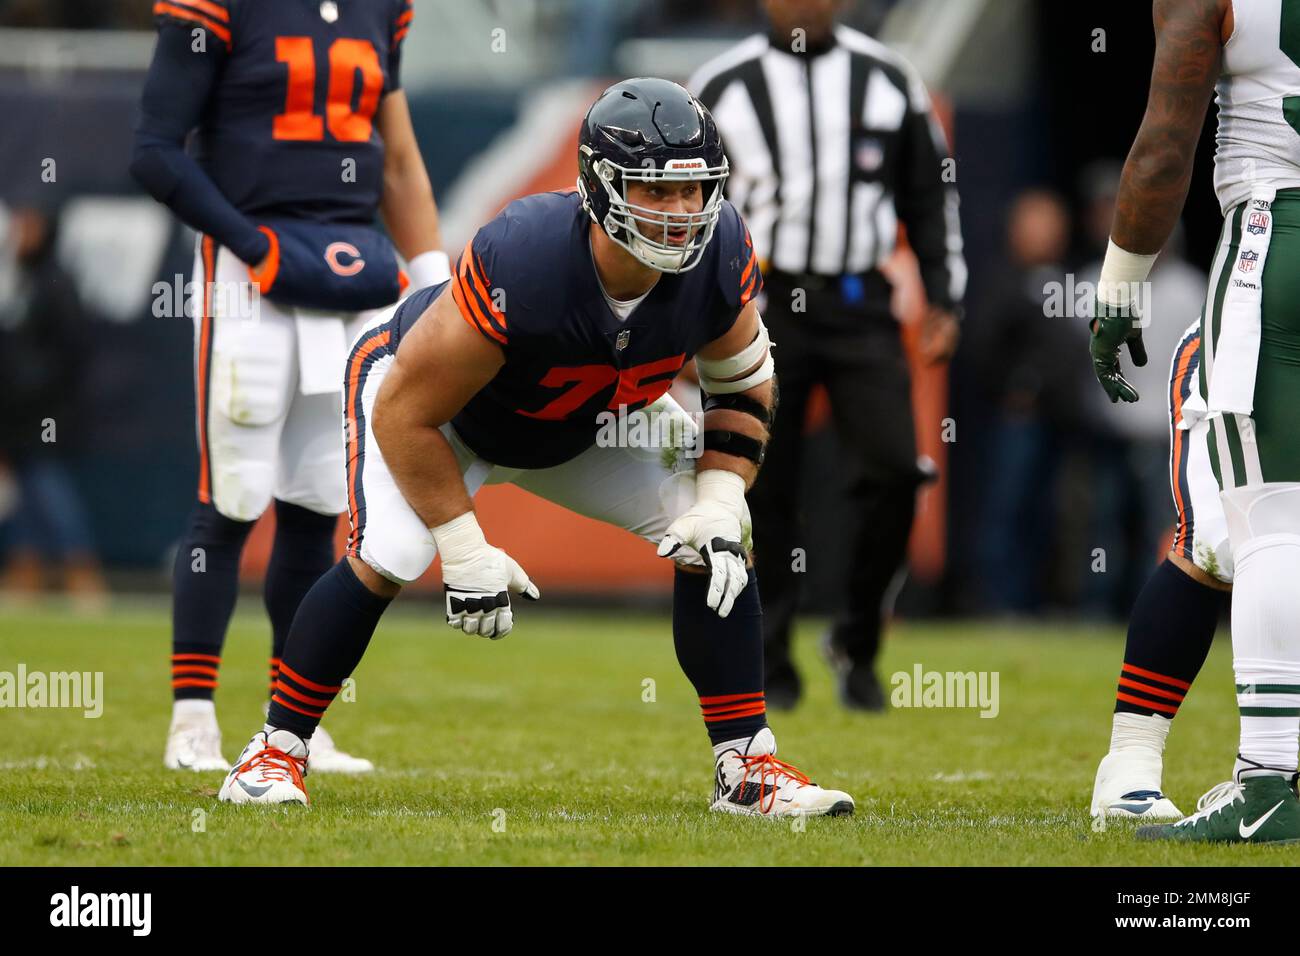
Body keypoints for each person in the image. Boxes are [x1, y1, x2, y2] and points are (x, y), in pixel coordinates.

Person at [216, 78, 855, 819]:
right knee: (393, 552)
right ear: (601, 186)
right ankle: (273, 751)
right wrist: (463, 546)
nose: (681, 213)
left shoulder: (719, 253)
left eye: (694, 189)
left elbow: (742, 387)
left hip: (590, 423)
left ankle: (745, 768)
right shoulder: (527, 257)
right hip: (438, 414)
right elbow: (405, 414)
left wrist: (718, 498)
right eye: (656, 189)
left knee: (716, 537)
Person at [131, 0, 449, 774]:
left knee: (318, 504)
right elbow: (155, 152)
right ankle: (192, 719)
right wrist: (251, 242)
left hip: (350, 269)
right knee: (233, 496)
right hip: (250, 269)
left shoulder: (380, 8)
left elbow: (397, 159)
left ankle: (292, 725)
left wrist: (435, 282)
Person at [689, 0, 964, 710]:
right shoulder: (721, 84)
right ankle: (770, 656)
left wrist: (944, 297)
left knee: (896, 470)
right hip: (762, 304)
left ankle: (857, 636)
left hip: (859, 303)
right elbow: (694, 207)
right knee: (761, 482)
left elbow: (928, 193)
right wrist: (691, 317)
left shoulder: (888, 78)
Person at [1089, 0, 1300, 842]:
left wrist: (1116, 289)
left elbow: (1164, 145)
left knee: (1254, 523)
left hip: (1275, 240)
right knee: (1224, 530)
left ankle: (1268, 777)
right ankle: (1137, 766)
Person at [1090, 319, 1232, 820]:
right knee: (1214, 544)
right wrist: (1119, 295)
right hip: (1241, 338)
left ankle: (1271, 771)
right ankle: (1131, 757)